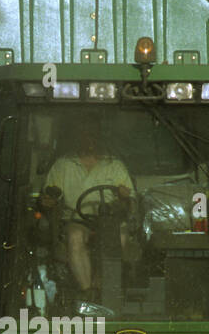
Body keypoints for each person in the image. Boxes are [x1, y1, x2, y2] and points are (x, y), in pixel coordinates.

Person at [38, 120, 137, 304]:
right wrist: (49, 201)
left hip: (108, 221)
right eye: (85, 135)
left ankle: (100, 286)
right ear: (78, 138)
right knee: (75, 235)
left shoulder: (114, 165)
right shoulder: (63, 165)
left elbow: (130, 202)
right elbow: (50, 196)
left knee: (119, 237)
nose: (89, 140)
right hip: (76, 219)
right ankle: (88, 292)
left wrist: (124, 197)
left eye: (93, 135)